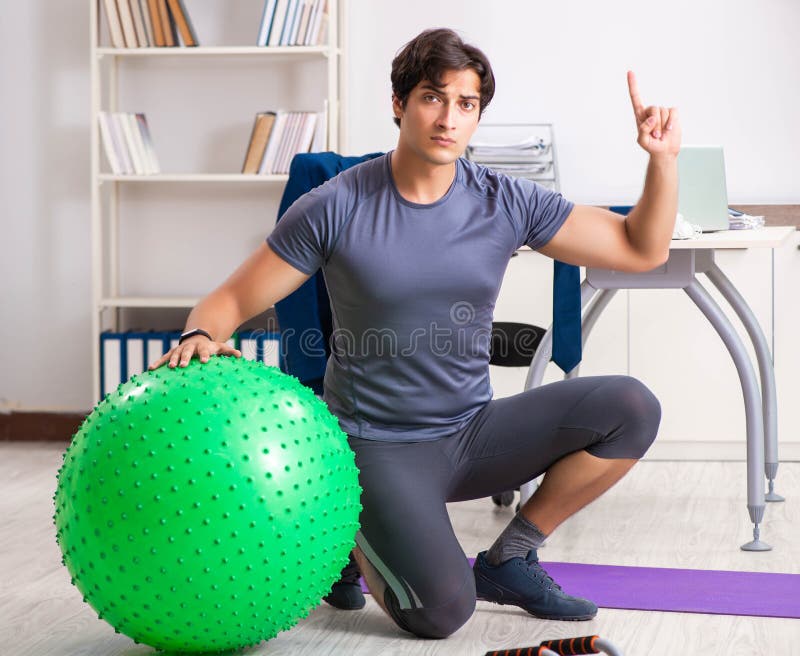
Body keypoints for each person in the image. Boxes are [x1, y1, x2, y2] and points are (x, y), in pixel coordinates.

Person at [151, 27, 679, 639]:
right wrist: (198, 334)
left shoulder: (503, 200)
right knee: (440, 614)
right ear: (400, 103)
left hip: (472, 432)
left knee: (630, 407)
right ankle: (344, 536)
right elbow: (235, 297)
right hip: (373, 446)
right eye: (433, 97)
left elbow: (640, 248)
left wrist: (661, 162)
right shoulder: (336, 203)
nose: (448, 117)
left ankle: (511, 557)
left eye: (466, 104)